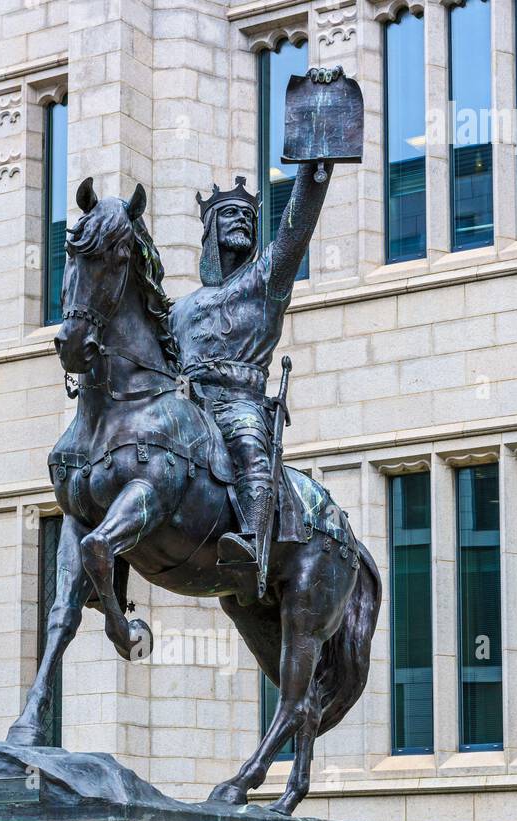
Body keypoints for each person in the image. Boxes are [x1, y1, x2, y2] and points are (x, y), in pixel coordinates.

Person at [170, 67, 341, 569]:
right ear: (208, 231)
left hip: (239, 403)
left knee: (249, 446)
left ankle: (250, 541)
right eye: (228, 214)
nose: (241, 219)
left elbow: (296, 229)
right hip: (187, 409)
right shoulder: (179, 309)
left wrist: (316, 155)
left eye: (246, 215)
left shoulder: (265, 280)